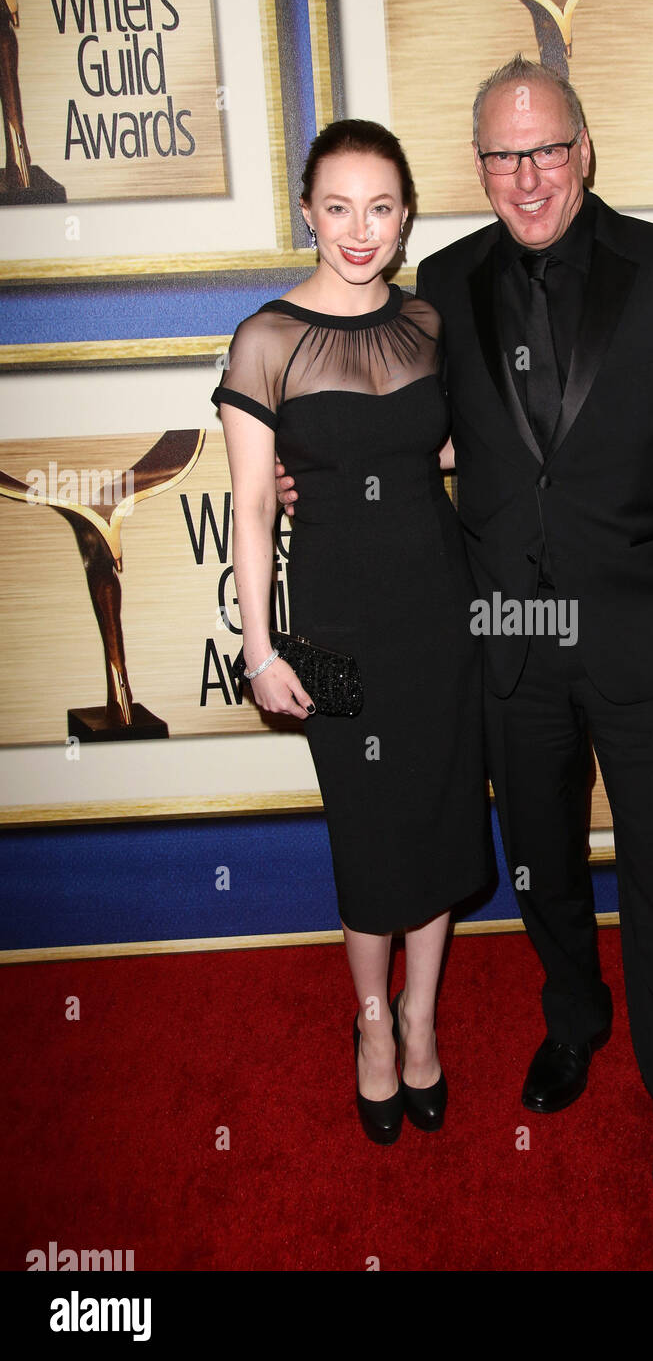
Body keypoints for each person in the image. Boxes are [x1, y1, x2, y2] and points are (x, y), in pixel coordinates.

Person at [278, 58, 653, 1218]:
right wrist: (320, 480)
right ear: (478, 168)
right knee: (542, 864)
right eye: (504, 156)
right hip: (502, 630)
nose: (528, 175)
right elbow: (406, 430)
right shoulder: (441, 287)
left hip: (648, 631)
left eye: (547, 148)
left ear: (585, 147)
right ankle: (572, 1022)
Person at [213, 120, 494, 1147]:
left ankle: (422, 1017)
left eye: (381, 206)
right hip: (334, 626)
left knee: (440, 826)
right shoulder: (267, 339)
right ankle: (371, 1025)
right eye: (338, 206)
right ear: (306, 212)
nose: (360, 228)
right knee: (370, 840)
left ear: (407, 213)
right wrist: (261, 646)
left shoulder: (428, 323)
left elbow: (459, 449)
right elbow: (250, 506)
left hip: (440, 613)